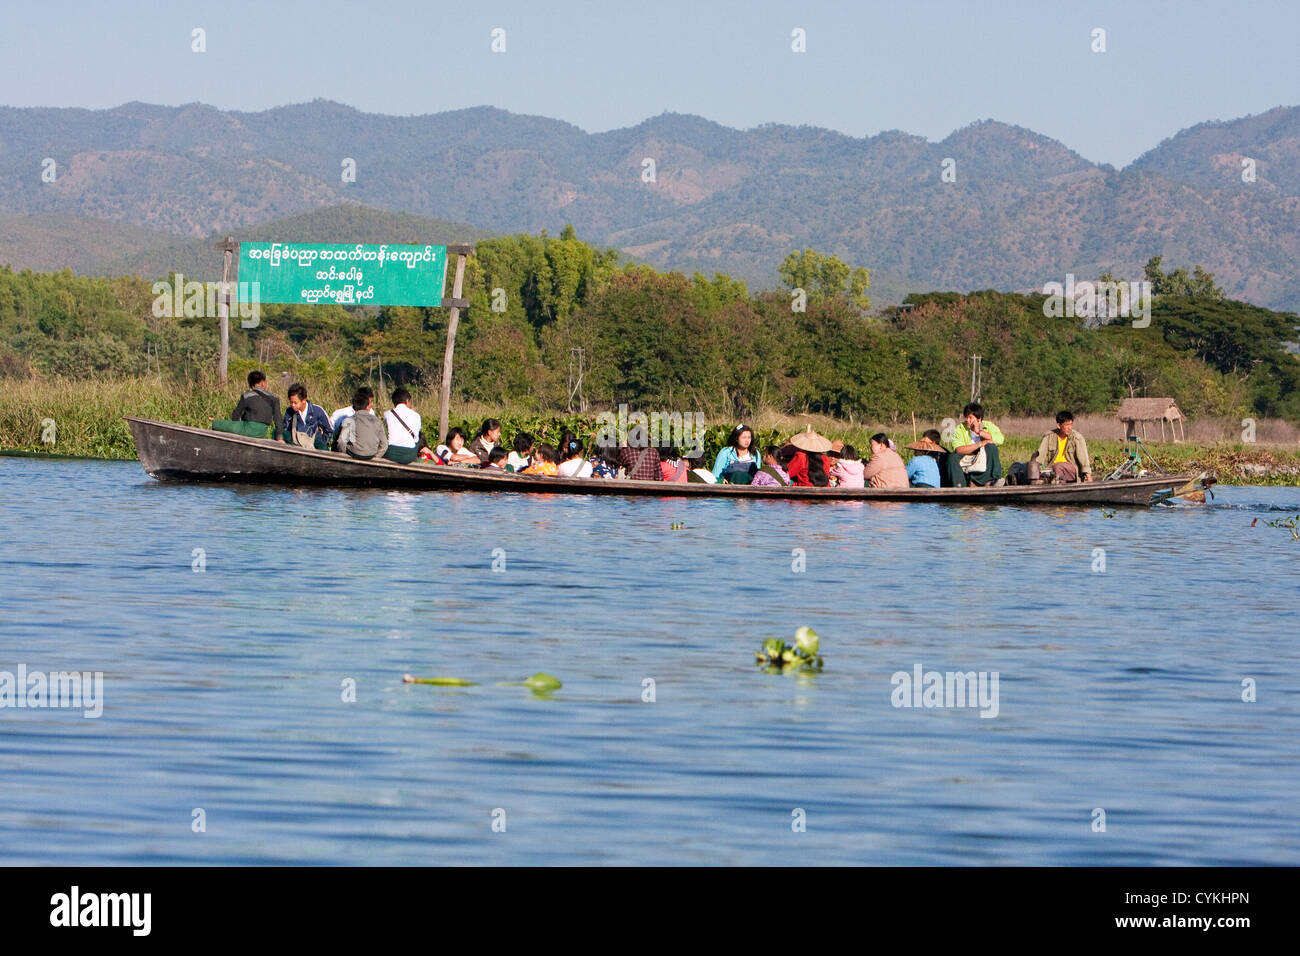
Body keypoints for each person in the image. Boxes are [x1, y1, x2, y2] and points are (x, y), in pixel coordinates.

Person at [945, 402, 1005, 487]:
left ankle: (993, 479)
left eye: (970, 417)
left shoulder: (988, 426)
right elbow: (958, 449)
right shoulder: (960, 429)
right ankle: (959, 485)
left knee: (991, 447)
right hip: (967, 454)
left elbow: (1000, 440)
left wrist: (980, 432)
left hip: (983, 454)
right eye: (966, 417)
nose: (967, 420)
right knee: (952, 457)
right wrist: (980, 444)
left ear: (979, 419)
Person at [1036, 410, 1092, 483]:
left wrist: (1088, 475)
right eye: (1066, 425)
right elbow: (1040, 456)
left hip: (1071, 469)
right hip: (1052, 468)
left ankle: (1059, 487)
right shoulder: (1048, 437)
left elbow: (1083, 458)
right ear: (1059, 425)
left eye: (1071, 424)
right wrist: (1038, 469)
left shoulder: (1077, 438)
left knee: (1058, 467)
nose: (1069, 427)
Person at [382, 387, 432, 464]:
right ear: (407, 401)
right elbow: (416, 438)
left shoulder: (387, 414)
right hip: (409, 455)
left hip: (391, 453)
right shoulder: (416, 416)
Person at [336, 387, 388, 460]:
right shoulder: (377, 421)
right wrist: (376, 457)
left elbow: (341, 442)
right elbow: (384, 445)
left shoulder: (350, 420)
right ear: (367, 406)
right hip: (371, 455)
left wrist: (344, 454)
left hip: (354, 453)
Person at [228, 370, 282, 438]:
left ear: (251, 385)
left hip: (248, 429)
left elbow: (235, 416)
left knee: (217, 424)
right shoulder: (274, 398)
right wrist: (279, 437)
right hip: (262, 432)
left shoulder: (247, 396)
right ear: (263, 383)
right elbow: (278, 419)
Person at [281, 383, 331, 449]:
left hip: (313, 447)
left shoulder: (317, 411)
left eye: (295, 403)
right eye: (291, 402)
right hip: (296, 447)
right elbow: (284, 428)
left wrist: (322, 443)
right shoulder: (290, 411)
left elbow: (329, 431)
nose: (293, 405)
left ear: (304, 400)